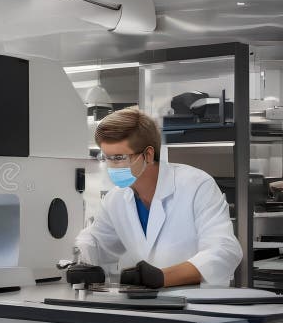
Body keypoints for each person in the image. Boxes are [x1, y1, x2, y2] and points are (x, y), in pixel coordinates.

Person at [75, 107, 242, 288]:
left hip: (199, 305)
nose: (111, 166)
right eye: (106, 157)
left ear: (147, 155)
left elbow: (224, 251)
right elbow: (97, 243)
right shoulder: (116, 199)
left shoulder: (197, 185)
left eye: (118, 157)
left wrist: (162, 277)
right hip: (148, 305)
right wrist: (80, 262)